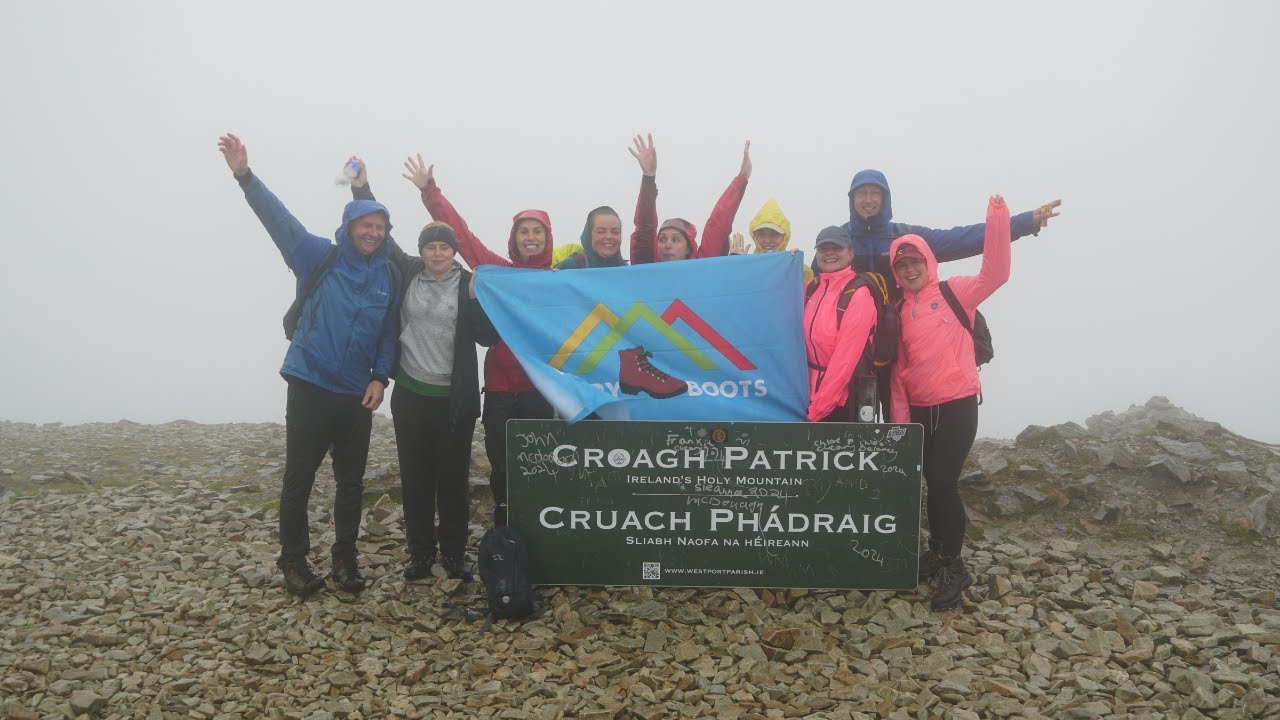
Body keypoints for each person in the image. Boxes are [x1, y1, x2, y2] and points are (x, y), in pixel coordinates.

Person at [218, 134, 400, 597]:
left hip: (357, 393)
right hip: (310, 383)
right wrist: (245, 176)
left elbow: (387, 333)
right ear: (350, 225)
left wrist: (381, 378)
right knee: (299, 479)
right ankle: (294, 562)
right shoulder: (318, 255)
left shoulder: (388, 276)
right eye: (366, 225)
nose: (373, 233)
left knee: (351, 483)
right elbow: (278, 220)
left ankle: (345, 558)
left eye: (380, 227)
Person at [356, 157, 556, 528]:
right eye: (524, 231)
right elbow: (460, 237)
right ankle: (505, 536)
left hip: (541, 386)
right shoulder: (498, 272)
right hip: (500, 388)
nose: (530, 237)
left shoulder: (562, 280)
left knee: (542, 466)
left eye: (537, 231)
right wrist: (429, 191)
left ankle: (539, 534)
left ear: (548, 238)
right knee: (501, 469)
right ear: (514, 238)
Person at [889, 194, 1011, 611]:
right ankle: (939, 552)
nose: (909, 270)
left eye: (915, 262)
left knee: (943, 482)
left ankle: (954, 566)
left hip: (958, 404)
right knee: (931, 481)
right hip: (921, 411)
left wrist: (997, 219)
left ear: (928, 261)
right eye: (901, 266)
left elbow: (996, 274)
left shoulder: (954, 291)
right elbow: (899, 374)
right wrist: (902, 425)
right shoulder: (897, 311)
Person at [386, 222, 494, 582]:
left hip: (453, 399)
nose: (437, 253)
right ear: (420, 251)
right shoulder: (408, 272)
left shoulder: (468, 283)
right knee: (415, 478)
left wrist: (476, 300)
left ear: (453, 251)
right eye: (430, 247)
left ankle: (453, 553)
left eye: (444, 247)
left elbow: (486, 337)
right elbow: (384, 236)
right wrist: (359, 192)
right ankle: (420, 553)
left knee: (452, 480)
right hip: (410, 393)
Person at [842, 169, 1059, 291]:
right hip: (851, 337)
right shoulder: (839, 241)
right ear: (853, 199)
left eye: (874, 193)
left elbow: (961, 239)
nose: (868, 200)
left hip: (900, 336)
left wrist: (1026, 221)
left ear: (885, 198)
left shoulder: (906, 236)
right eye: (862, 193)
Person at [630, 139, 752, 263]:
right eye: (662, 239)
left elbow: (717, 224)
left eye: (675, 239)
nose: (667, 245)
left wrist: (741, 178)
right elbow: (645, 228)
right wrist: (648, 178)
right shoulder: (646, 265)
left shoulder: (703, 267)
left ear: (688, 248)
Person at [803, 227, 878, 423]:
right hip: (806, 394)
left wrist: (817, 411)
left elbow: (844, 361)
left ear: (851, 253)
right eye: (823, 249)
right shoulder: (811, 288)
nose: (829, 253)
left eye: (837, 248)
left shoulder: (859, 294)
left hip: (841, 400)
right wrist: (786, 259)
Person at [740, 199, 815, 283]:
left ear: (785, 237)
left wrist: (794, 265)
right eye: (761, 234)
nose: (767, 240)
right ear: (754, 236)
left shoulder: (801, 270)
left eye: (775, 234)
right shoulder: (745, 266)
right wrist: (735, 264)